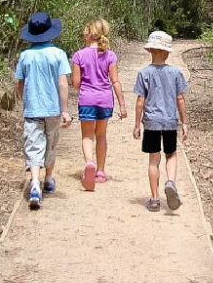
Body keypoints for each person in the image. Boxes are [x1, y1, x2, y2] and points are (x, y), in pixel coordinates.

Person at [15, 11, 72, 210]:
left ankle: (35, 184)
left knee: (33, 145)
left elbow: (20, 84)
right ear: (51, 32)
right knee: (51, 143)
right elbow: (63, 83)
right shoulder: (58, 55)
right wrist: (65, 110)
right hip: (53, 109)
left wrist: (27, 100)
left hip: (33, 110)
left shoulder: (24, 56)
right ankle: (48, 179)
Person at [133, 30, 188, 212]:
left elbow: (140, 101)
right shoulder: (175, 73)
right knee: (171, 154)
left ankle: (155, 199)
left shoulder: (144, 73)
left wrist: (136, 124)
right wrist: (185, 122)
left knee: (153, 159)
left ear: (150, 50)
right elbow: (180, 99)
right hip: (170, 121)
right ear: (167, 52)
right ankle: (170, 182)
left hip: (151, 122)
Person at [72, 18, 127, 190]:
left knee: (87, 135)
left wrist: (87, 88)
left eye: (85, 32)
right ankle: (101, 172)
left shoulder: (79, 55)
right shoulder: (110, 56)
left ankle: (90, 163)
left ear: (90, 34)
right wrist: (122, 105)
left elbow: (75, 83)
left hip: (87, 99)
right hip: (105, 100)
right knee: (101, 135)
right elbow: (115, 81)